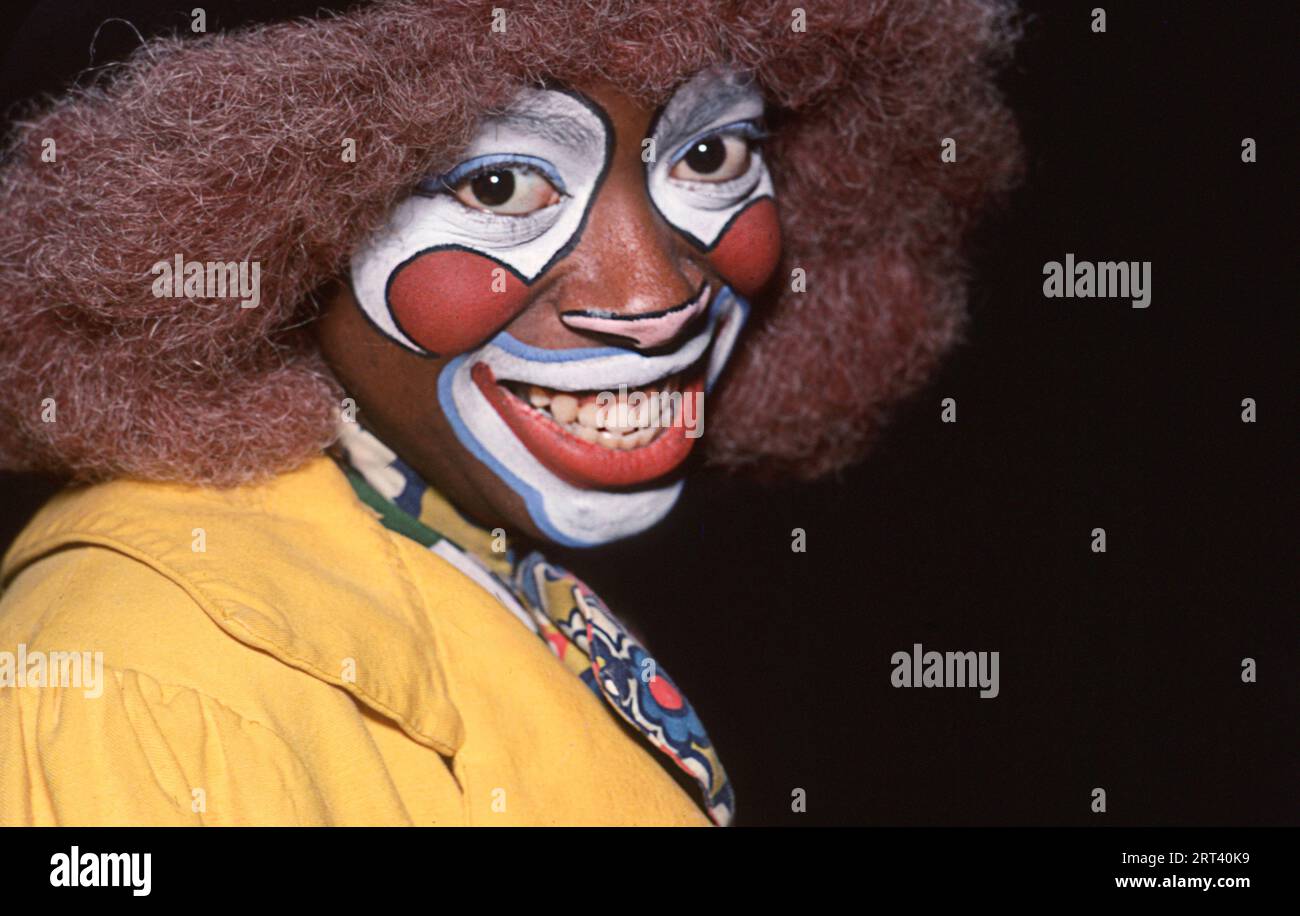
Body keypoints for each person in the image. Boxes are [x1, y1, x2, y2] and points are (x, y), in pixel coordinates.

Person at [0, 0, 1020, 825]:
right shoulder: (138, 686)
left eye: (710, 158)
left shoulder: (459, 550)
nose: (649, 294)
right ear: (270, 222)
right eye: (498, 183)